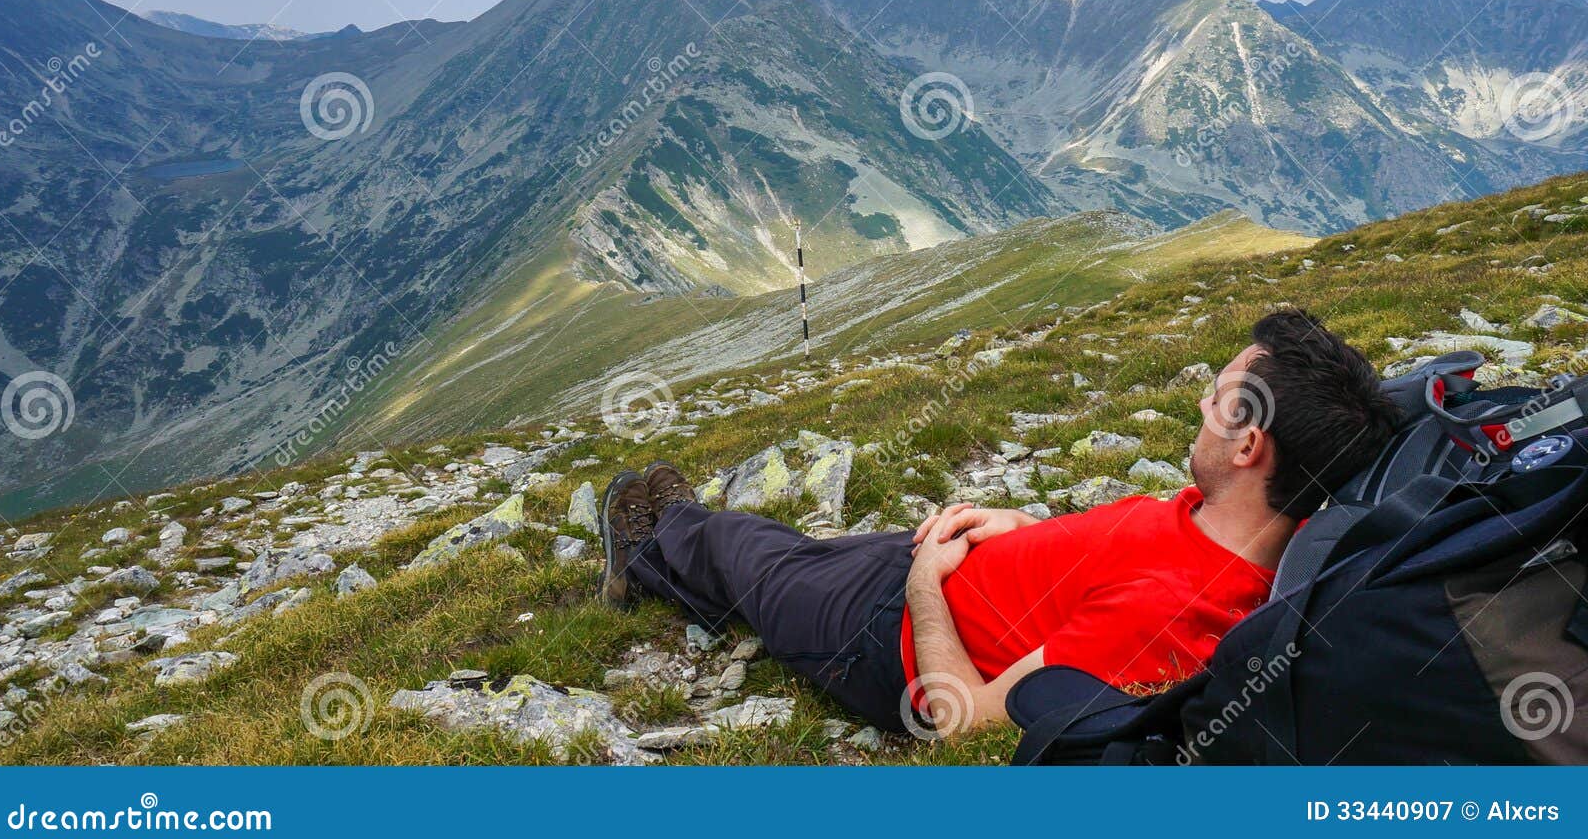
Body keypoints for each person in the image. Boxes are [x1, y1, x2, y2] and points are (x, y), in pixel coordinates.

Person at [596, 309, 1399, 736]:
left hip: (891, 638)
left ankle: (649, 547)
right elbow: (1110, 563)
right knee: (782, 552)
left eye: (1218, 398)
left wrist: (923, 591)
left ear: (1250, 443)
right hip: (950, 575)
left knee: (754, 559)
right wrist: (1019, 525)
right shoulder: (1245, 524)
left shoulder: (1175, 614)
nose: (1199, 403)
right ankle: (680, 532)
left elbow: (961, 719)